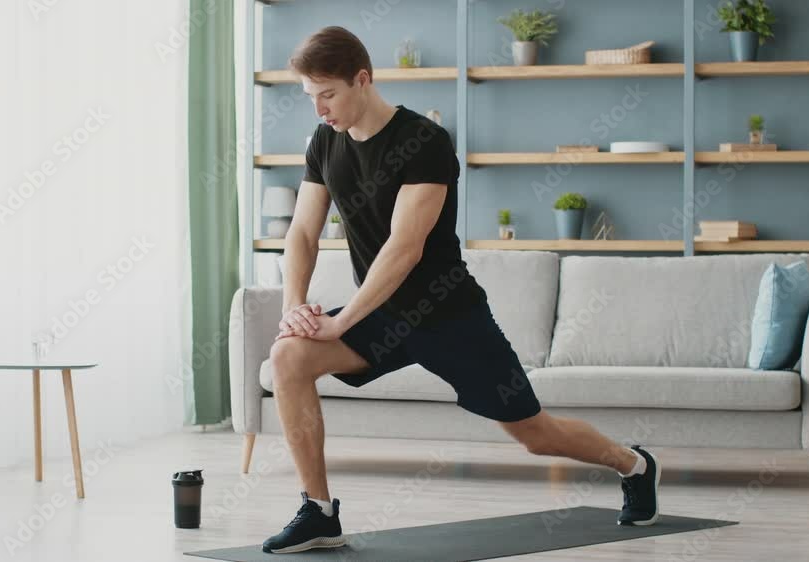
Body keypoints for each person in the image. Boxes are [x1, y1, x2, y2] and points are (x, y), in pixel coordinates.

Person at [261, 26, 660, 555]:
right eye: (310, 98)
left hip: (448, 315)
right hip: (381, 315)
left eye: (328, 95)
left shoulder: (423, 142)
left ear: (363, 79)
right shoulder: (324, 142)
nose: (320, 110)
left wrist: (338, 321)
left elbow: (403, 250)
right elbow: (303, 232)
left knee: (535, 435)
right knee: (289, 356)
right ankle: (319, 511)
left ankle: (632, 463)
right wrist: (294, 308)